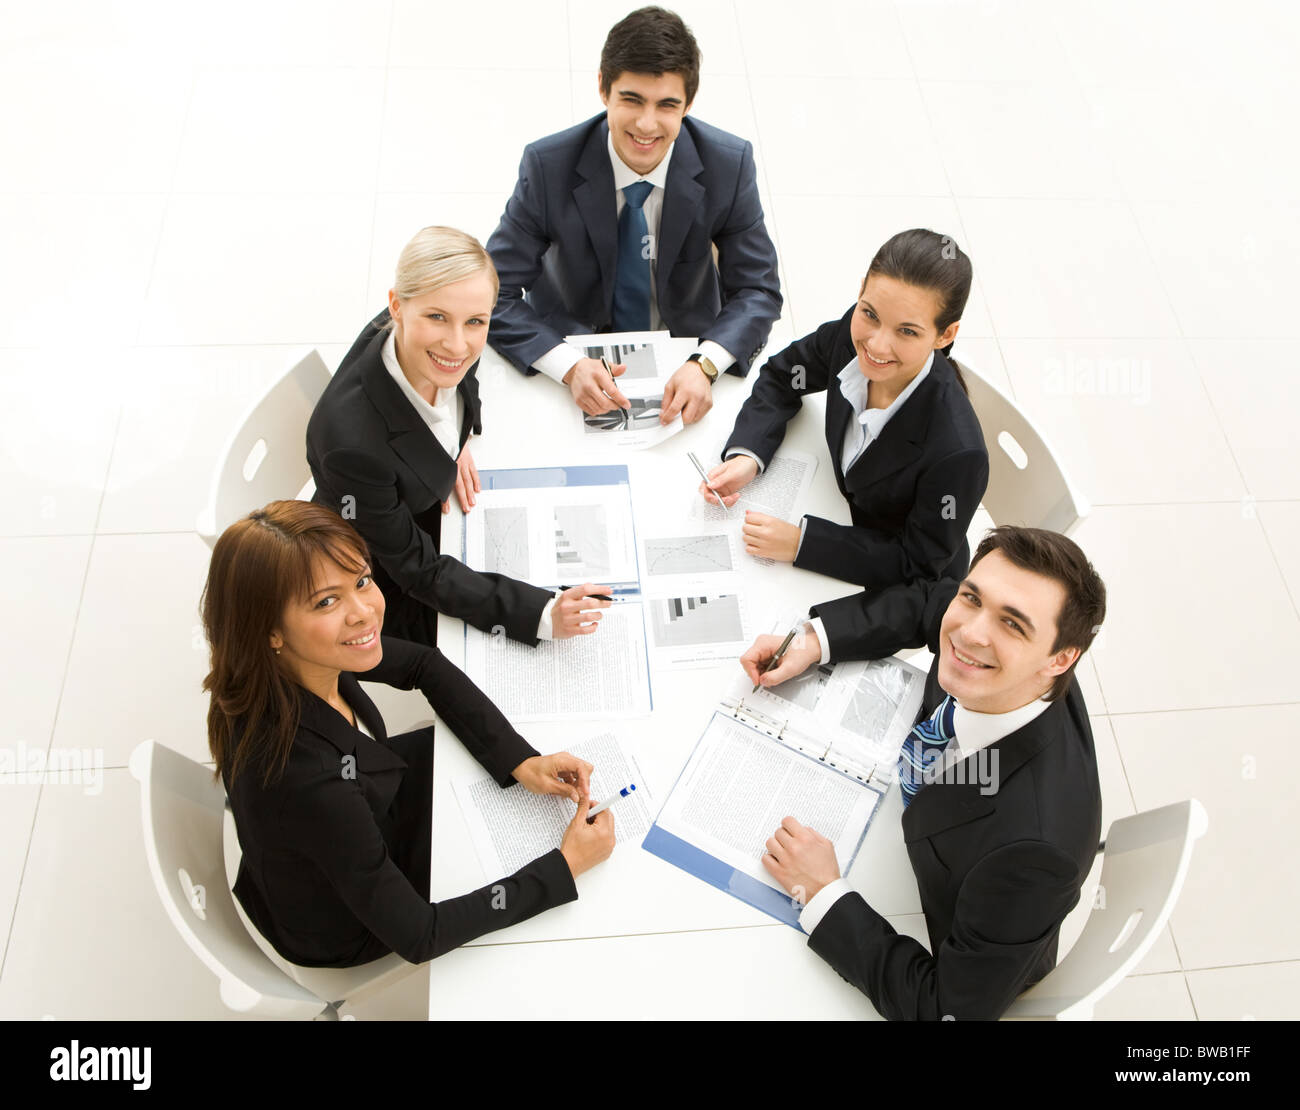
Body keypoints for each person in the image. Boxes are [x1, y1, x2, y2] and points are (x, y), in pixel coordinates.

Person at [202, 500, 615, 968]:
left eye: (361, 581)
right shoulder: (310, 783)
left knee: (460, 761)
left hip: (350, 820)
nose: (365, 613)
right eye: (326, 601)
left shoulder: (280, 665)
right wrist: (564, 867)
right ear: (270, 631)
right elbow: (421, 935)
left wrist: (520, 760)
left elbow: (424, 664)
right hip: (344, 923)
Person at [741, 526, 1106, 1020]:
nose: (970, 633)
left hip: (949, 914)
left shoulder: (1036, 857)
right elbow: (930, 604)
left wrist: (825, 892)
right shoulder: (1020, 662)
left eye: (1013, 625)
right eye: (973, 597)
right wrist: (815, 640)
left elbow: (942, 1011)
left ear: (1061, 660)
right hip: (914, 818)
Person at [307, 225, 612, 648]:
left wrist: (456, 441)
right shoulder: (352, 447)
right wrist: (539, 614)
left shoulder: (427, 339)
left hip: (421, 500)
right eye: (437, 318)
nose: (457, 345)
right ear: (395, 306)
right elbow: (419, 570)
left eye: (476, 321)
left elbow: (463, 374)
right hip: (386, 568)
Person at [485, 5, 781, 426]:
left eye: (666, 105)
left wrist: (706, 363)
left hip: (685, 352)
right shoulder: (547, 165)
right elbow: (492, 292)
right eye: (632, 99)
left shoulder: (728, 165)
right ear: (603, 88)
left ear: (688, 103)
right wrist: (566, 364)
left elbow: (758, 290)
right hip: (574, 348)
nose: (647, 124)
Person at [703, 228, 989, 593]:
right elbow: (781, 376)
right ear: (860, 293)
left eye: (907, 332)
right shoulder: (849, 333)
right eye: (870, 313)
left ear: (945, 335)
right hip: (832, 505)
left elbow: (917, 564)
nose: (876, 344)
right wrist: (748, 454)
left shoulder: (959, 454)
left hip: (893, 583)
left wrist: (802, 544)